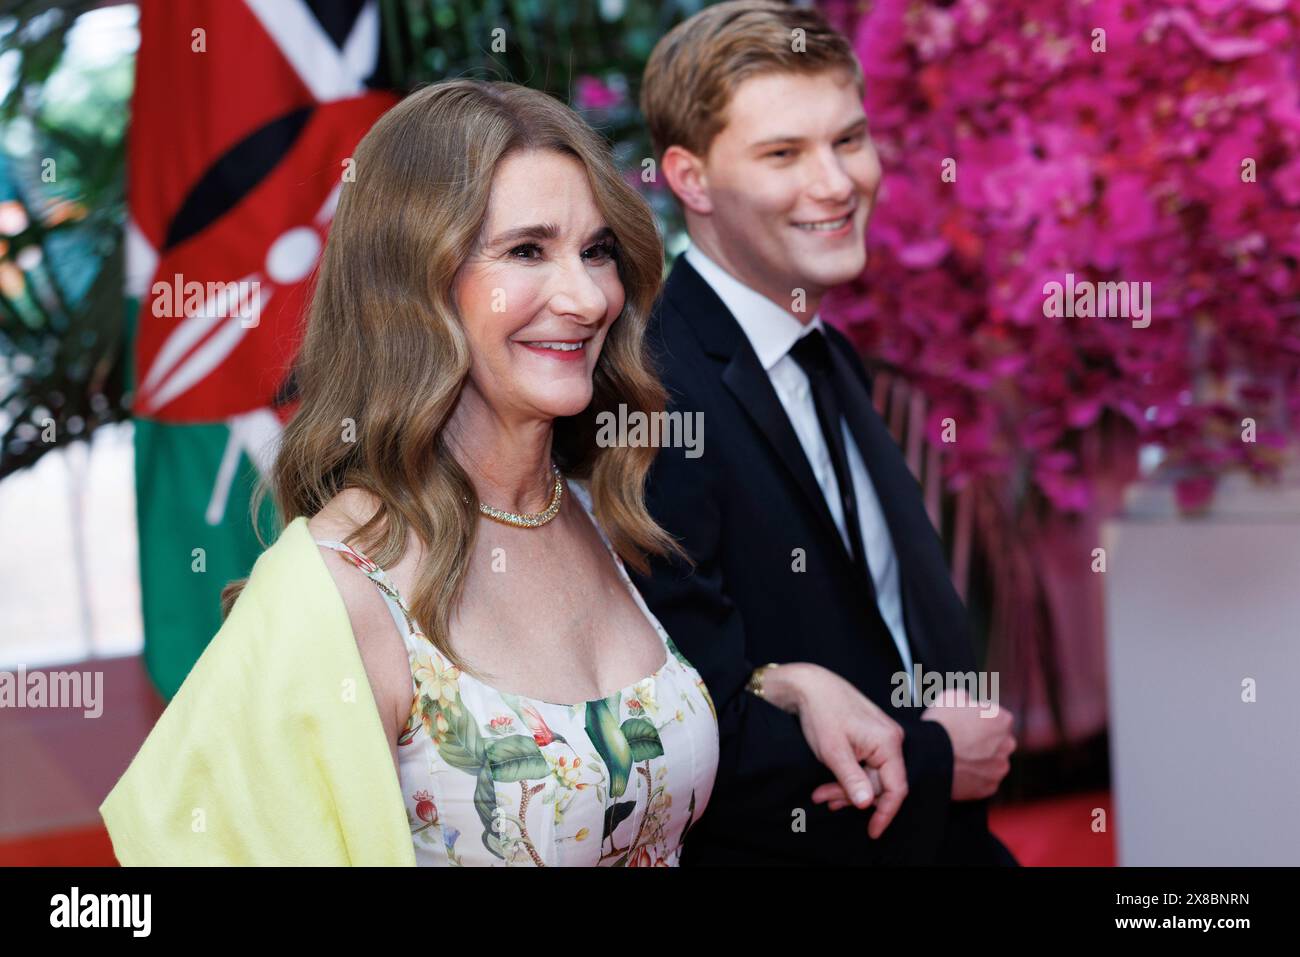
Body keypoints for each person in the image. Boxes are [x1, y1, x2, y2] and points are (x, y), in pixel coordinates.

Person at [100, 79, 719, 866]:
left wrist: (777, 681)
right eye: (527, 250)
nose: (588, 295)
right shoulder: (334, 587)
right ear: (413, 284)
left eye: (597, 251)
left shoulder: (599, 507)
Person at [631, 0, 1018, 865]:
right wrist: (935, 758)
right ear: (689, 180)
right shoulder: (653, 391)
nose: (838, 183)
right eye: (782, 154)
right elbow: (689, 726)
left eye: (848, 140)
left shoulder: (826, 349)